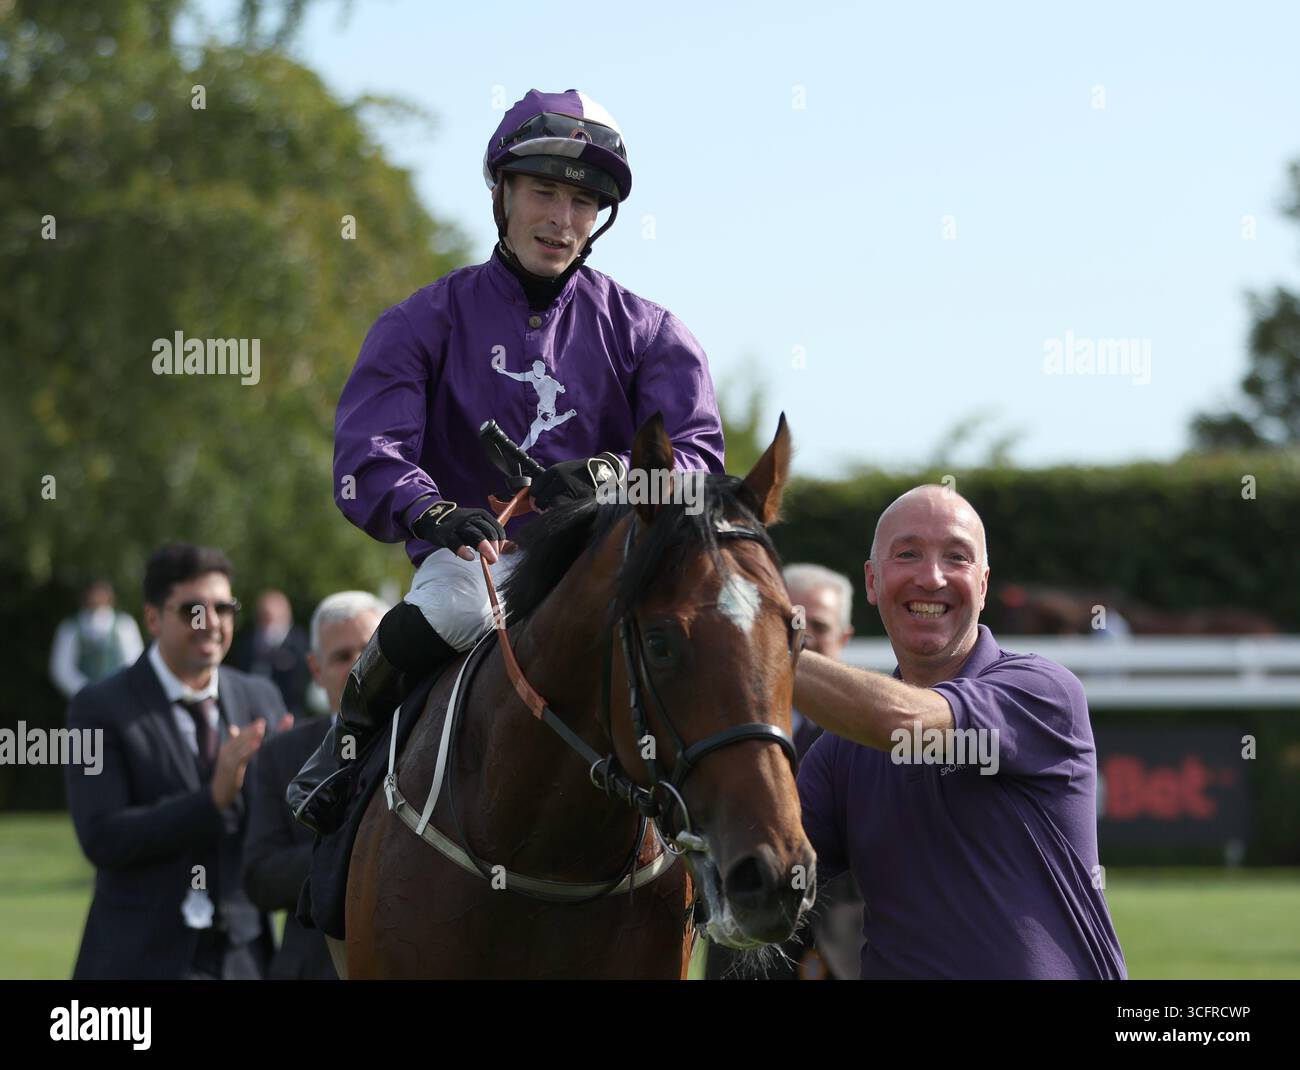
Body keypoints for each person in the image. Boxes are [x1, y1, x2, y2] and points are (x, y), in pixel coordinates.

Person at [289, 89, 726, 834]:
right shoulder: (420, 321)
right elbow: (370, 452)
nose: (562, 220)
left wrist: (611, 475)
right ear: (502, 193)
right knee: (457, 604)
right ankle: (351, 731)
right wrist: (431, 509)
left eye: (583, 202)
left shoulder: (652, 332)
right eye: (544, 192)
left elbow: (700, 458)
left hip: (604, 565)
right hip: (476, 561)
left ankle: (719, 837)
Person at [794, 485, 1127, 979]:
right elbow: (762, 871)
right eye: (908, 554)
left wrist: (752, 652)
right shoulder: (839, 751)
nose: (931, 577)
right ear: (872, 580)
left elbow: (903, 722)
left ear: (984, 583)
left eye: (957, 557)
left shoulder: (1044, 692)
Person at [65, 543, 292, 979]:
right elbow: (101, 837)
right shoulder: (93, 708)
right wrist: (211, 799)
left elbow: (278, 829)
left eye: (224, 608)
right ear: (153, 618)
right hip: (141, 959)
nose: (211, 624)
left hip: (245, 960)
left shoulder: (260, 697)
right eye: (192, 610)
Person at [708, 563, 861, 980]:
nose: (804, 639)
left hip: (843, 957)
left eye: (820, 626)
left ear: (845, 639)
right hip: (741, 957)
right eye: (792, 622)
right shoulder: (717, 731)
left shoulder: (868, 734)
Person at [244, 591, 386, 979]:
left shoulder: (431, 740)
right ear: (315, 668)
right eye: (342, 656)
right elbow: (259, 876)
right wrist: (356, 854)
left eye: (371, 648)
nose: (360, 664)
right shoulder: (280, 756)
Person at [49, 580, 144, 699]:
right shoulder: (70, 627)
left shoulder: (124, 624)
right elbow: (62, 670)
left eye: (101, 594)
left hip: (119, 698)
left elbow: (134, 662)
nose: (97, 599)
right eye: (93, 594)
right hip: (83, 699)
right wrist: (87, 692)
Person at [229, 589, 311, 715]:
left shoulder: (299, 644)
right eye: (263, 618)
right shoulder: (247, 643)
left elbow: (301, 684)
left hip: (288, 712)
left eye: (272, 618)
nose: (268, 624)